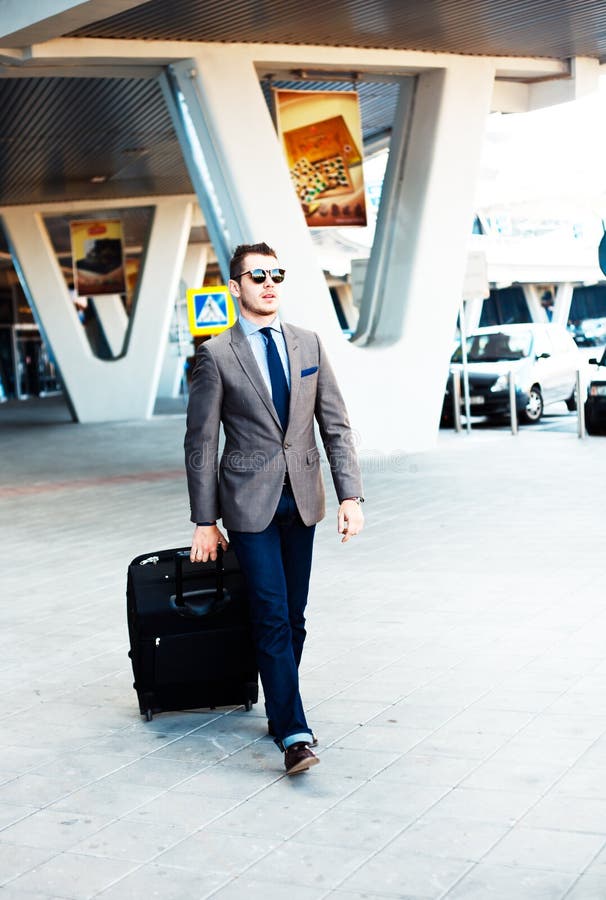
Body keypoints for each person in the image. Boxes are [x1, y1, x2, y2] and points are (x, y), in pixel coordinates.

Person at [184, 241, 364, 775]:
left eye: (276, 275)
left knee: (295, 617)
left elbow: (335, 424)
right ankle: (294, 733)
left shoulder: (309, 344)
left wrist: (350, 496)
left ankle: (280, 705)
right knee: (270, 612)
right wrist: (204, 521)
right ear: (235, 287)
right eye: (257, 276)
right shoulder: (217, 355)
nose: (269, 284)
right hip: (248, 505)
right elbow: (201, 441)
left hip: (302, 500)